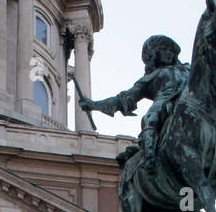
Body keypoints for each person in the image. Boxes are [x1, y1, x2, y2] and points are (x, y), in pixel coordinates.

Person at [80, 35, 189, 168]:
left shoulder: (188, 69)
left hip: (191, 103)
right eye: (163, 49)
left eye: (170, 50)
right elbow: (122, 99)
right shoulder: (150, 78)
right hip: (164, 105)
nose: (168, 53)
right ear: (155, 54)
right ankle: (149, 157)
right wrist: (94, 105)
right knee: (150, 118)